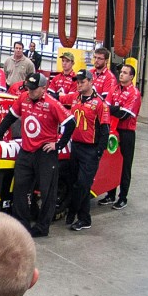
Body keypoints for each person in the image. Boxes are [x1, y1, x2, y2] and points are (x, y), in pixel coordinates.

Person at [0, 72, 74, 237]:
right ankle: (21, 224)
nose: (30, 92)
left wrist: (58, 145)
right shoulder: (23, 98)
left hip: (45, 154)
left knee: (47, 191)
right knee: (20, 188)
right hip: (26, 151)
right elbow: (10, 118)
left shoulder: (52, 104)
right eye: (28, 88)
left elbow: (71, 123)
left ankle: (43, 227)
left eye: (34, 89)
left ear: (44, 88)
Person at [63, 69, 109, 232]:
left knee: (83, 184)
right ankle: (81, 216)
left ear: (90, 82)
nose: (79, 85)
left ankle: (79, 214)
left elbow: (105, 130)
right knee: (74, 183)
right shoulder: (75, 97)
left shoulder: (100, 103)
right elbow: (58, 99)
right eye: (78, 82)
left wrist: (99, 152)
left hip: (90, 150)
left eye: (82, 82)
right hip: (75, 146)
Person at [100, 63, 142, 209]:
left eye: (125, 72)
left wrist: (113, 109)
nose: (121, 74)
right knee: (111, 163)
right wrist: (115, 108)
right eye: (121, 72)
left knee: (125, 165)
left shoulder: (134, 94)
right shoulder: (115, 89)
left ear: (131, 76)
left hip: (126, 133)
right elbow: (104, 108)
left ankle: (123, 197)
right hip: (113, 130)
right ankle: (110, 194)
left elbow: (124, 115)